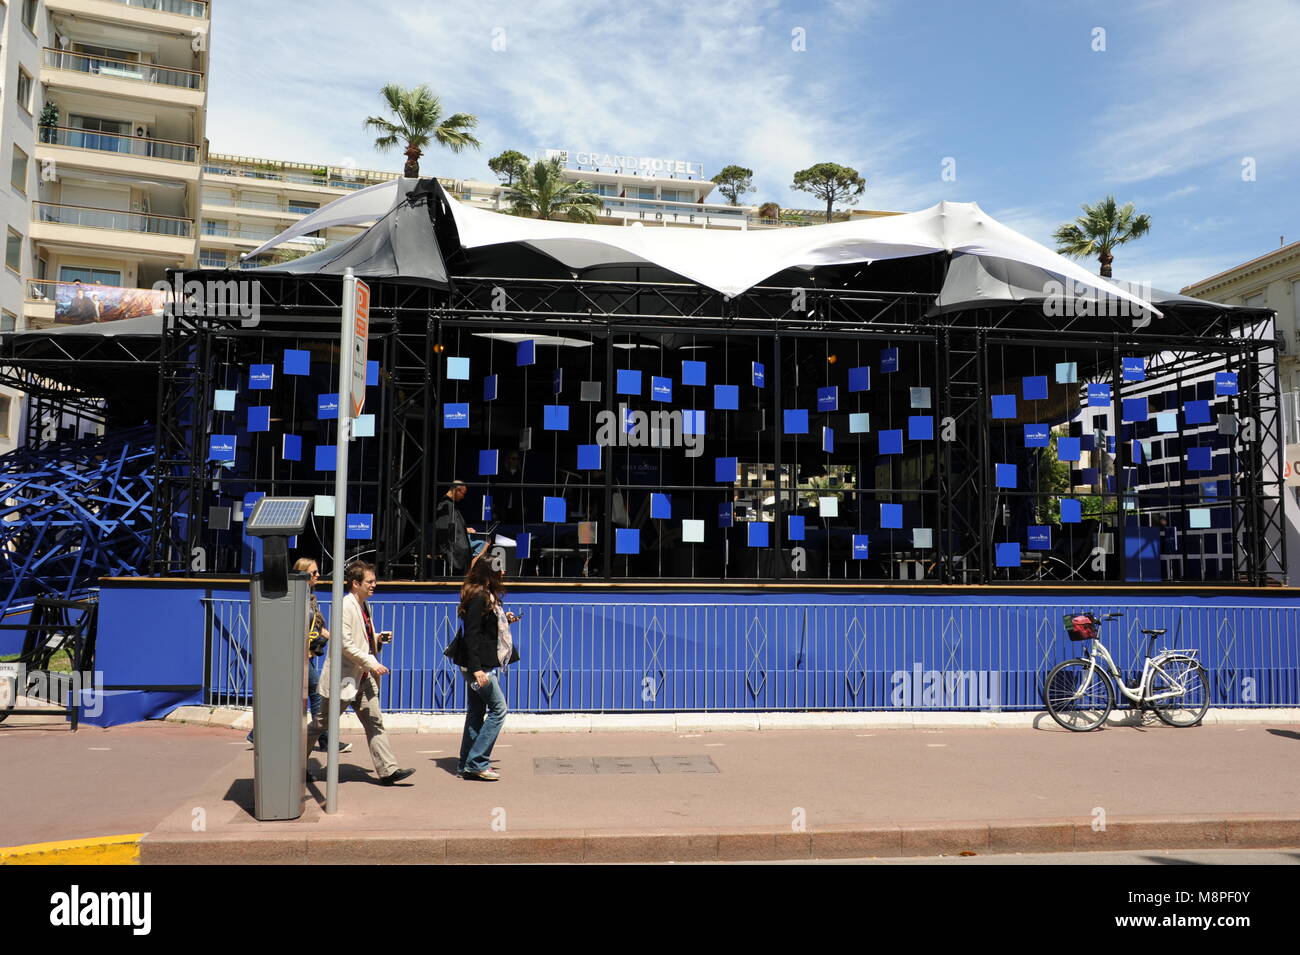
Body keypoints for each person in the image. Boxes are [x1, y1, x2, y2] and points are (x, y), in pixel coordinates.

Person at [318, 560, 414, 785]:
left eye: (374, 581)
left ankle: (388, 770)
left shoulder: (364, 606)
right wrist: (371, 662)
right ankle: (297, 763)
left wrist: (377, 639)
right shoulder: (345, 606)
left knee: (374, 721)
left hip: (363, 676)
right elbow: (344, 644)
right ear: (355, 583)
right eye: (369, 581)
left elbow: (359, 640)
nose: (374, 585)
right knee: (321, 725)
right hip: (345, 677)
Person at [451, 544, 519, 781]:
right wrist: (477, 669)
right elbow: (471, 634)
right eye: (498, 569)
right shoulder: (480, 597)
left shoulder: (486, 595)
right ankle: (478, 761)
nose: (502, 573)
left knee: (476, 712)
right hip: (477, 667)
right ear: (488, 572)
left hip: (477, 664)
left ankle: (465, 764)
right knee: (499, 709)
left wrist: (504, 620)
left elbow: (484, 630)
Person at [297, 558, 351, 755]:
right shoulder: (295, 598)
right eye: (314, 573)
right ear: (303, 575)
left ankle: (256, 732)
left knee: (306, 695)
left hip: (308, 654)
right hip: (299, 655)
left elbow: (320, 628)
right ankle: (326, 740)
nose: (318, 575)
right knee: (316, 694)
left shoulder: (312, 599)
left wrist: (340, 640)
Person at [435, 480, 477, 576]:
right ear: (456, 490)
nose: (463, 496)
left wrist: (465, 529)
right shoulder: (444, 506)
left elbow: (453, 525)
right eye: (463, 493)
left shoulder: (451, 505)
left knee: (479, 546)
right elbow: (443, 529)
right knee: (471, 549)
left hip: (458, 543)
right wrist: (445, 550)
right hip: (452, 546)